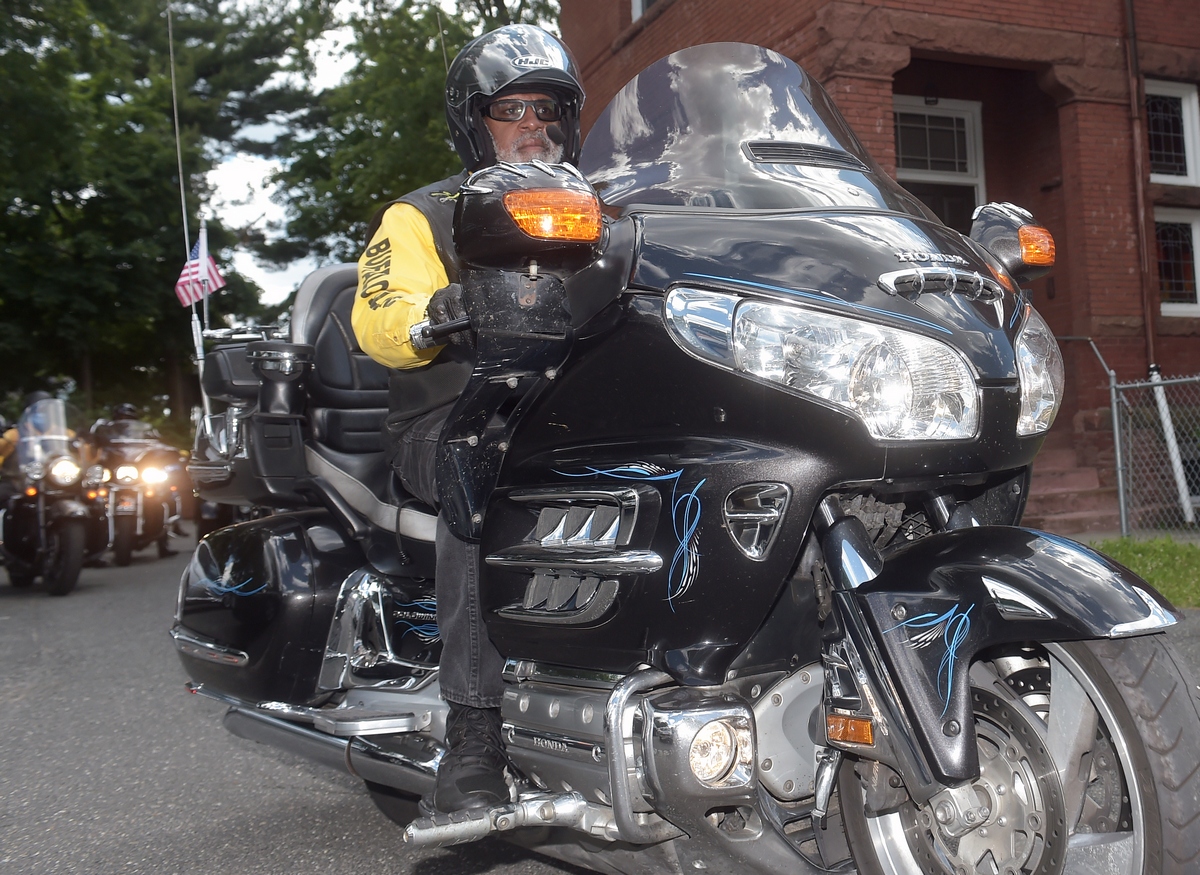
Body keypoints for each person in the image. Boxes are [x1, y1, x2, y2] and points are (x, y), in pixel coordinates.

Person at [350, 24, 585, 814]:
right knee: (484, 453)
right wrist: (438, 310)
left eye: (549, 110)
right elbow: (380, 316)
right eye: (510, 109)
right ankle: (473, 729)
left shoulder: (601, 210)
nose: (534, 127)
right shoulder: (423, 216)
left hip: (569, 407)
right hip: (452, 414)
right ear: (471, 122)